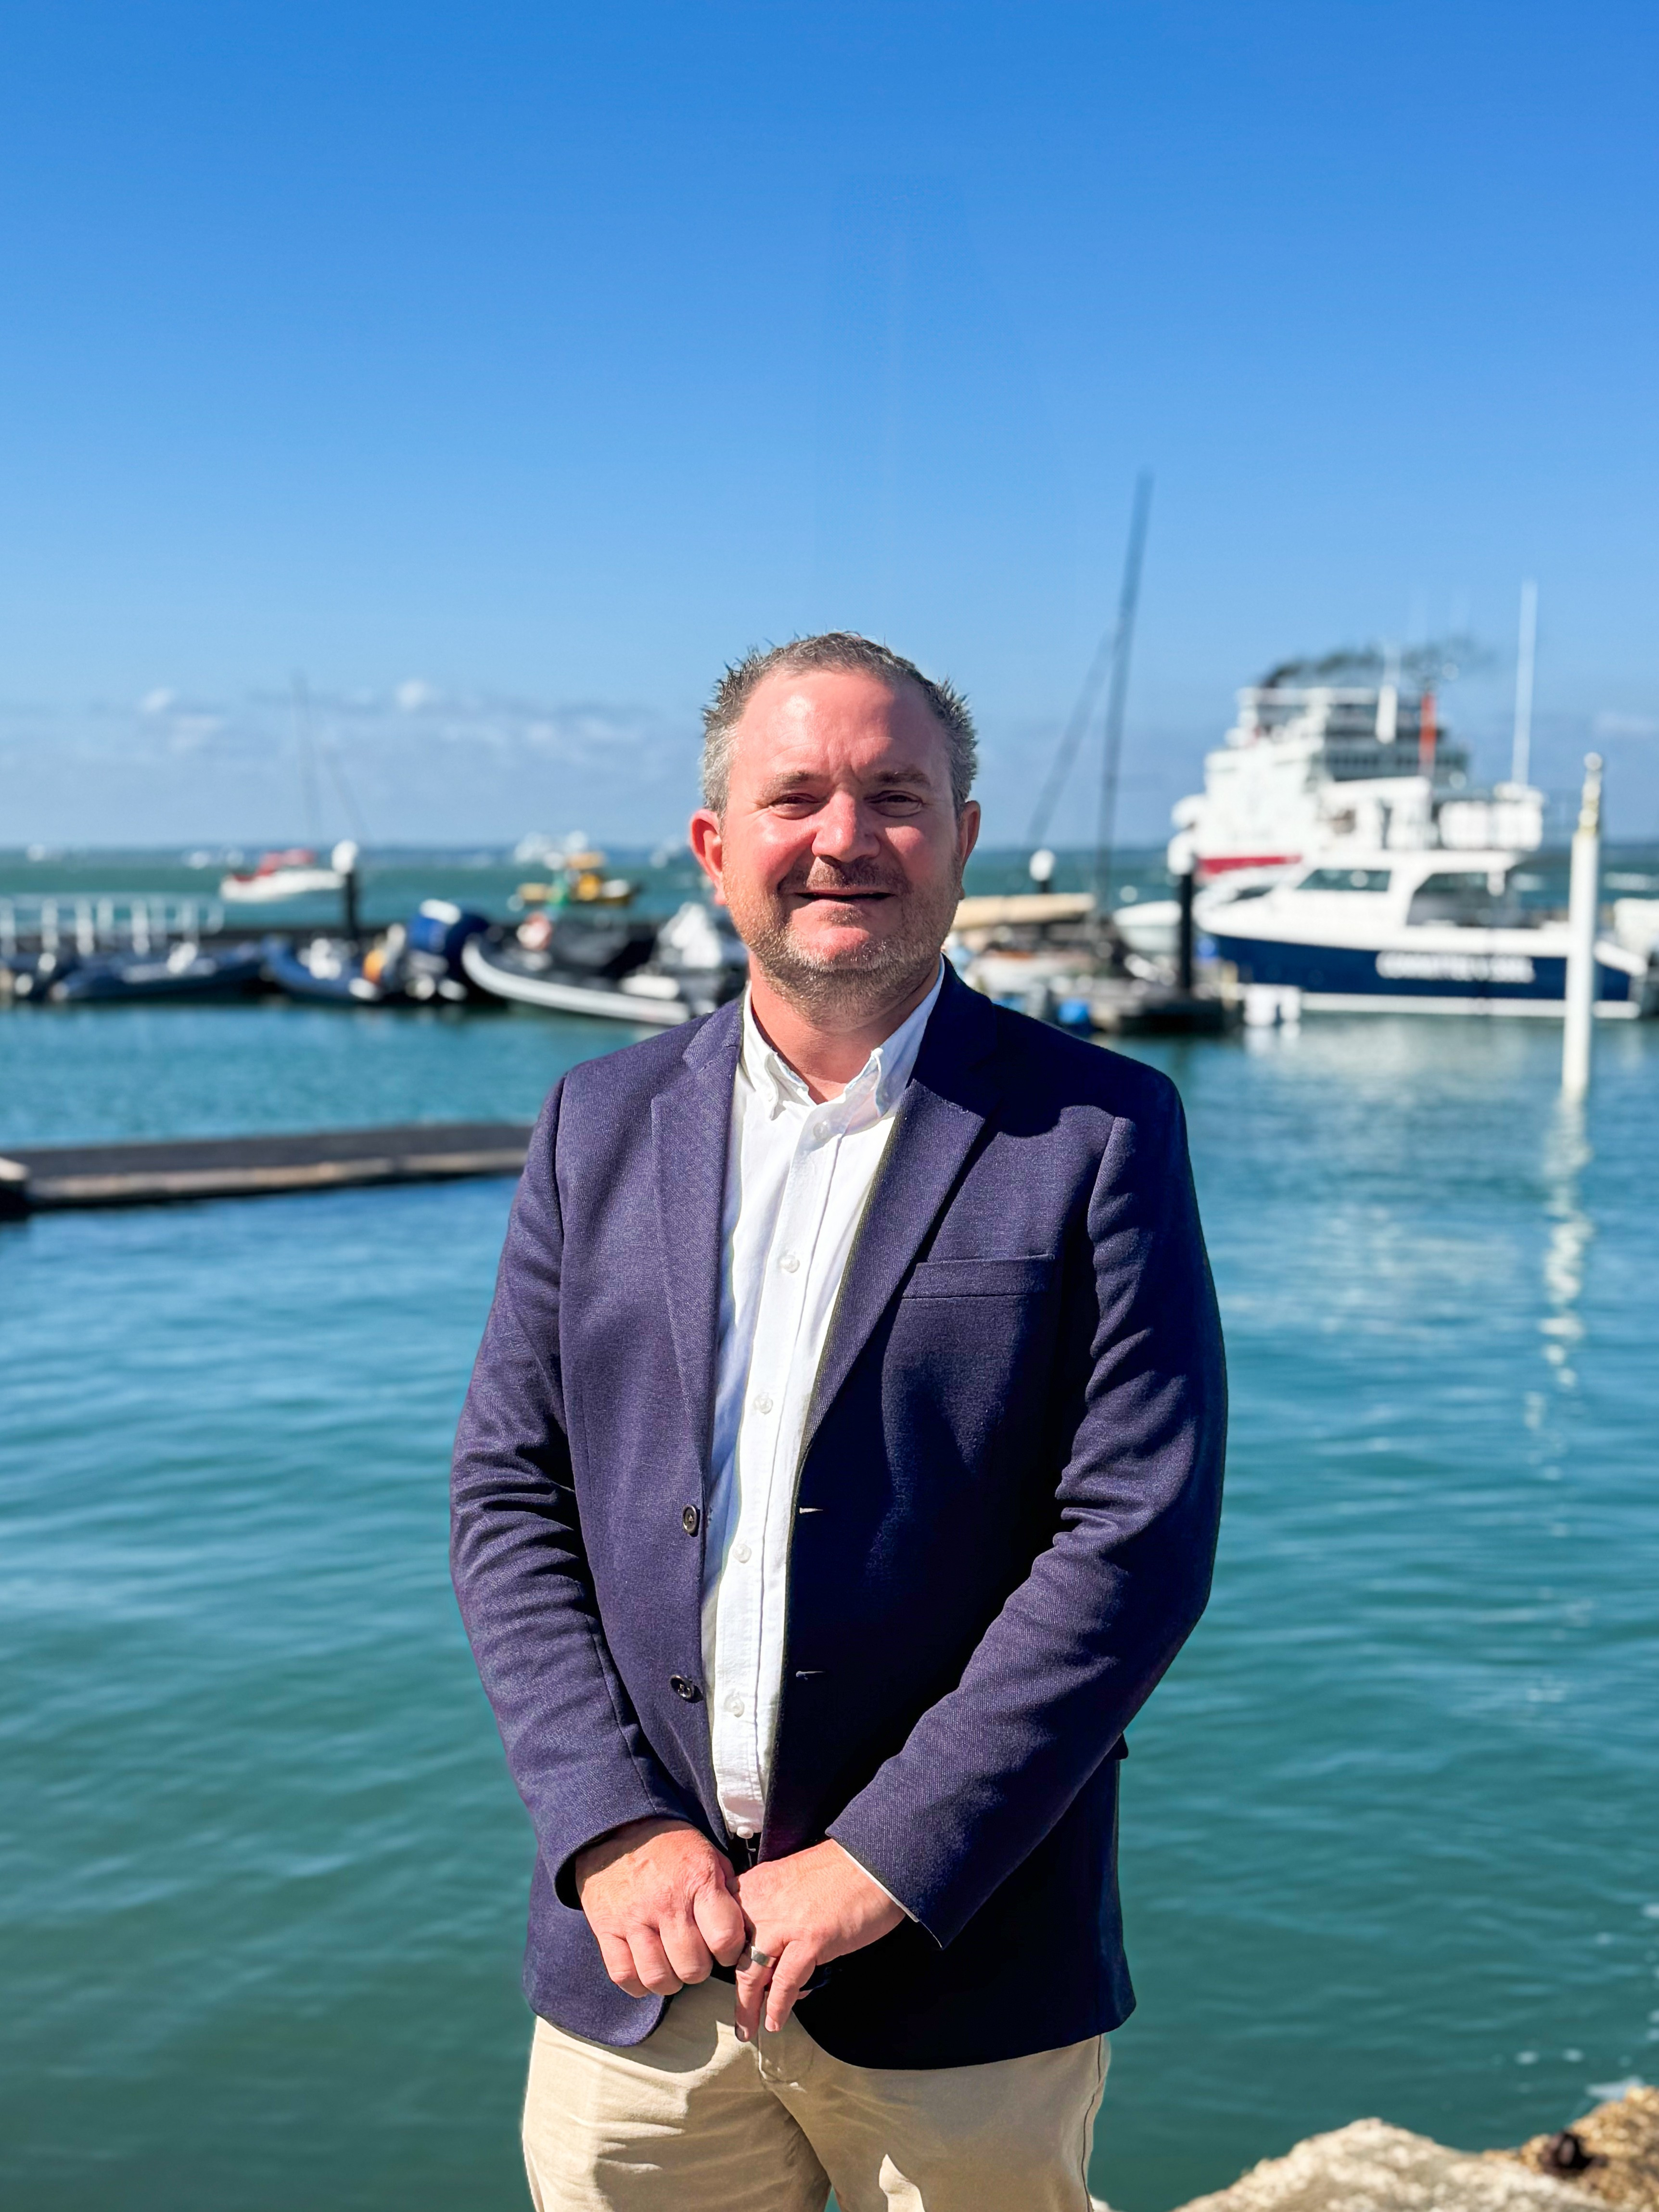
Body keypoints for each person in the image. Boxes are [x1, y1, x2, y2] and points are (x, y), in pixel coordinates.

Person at [451, 632, 1226, 2212]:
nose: (845, 837)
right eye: (795, 794)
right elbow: (508, 1495)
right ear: (717, 845)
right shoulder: (594, 1126)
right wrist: (609, 1826)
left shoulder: (1099, 1131)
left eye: (896, 794)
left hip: (962, 1974)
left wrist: (885, 1859)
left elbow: (1135, 1540)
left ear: (961, 836)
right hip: (638, 1973)